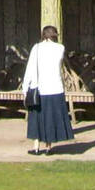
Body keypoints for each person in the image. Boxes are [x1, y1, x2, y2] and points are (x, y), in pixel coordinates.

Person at [22, 25, 73, 155]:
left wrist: (25, 87)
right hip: (56, 88)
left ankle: (36, 147)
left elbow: (30, 68)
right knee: (51, 118)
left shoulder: (37, 48)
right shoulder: (60, 48)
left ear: (43, 35)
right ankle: (49, 147)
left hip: (39, 88)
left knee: (37, 119)